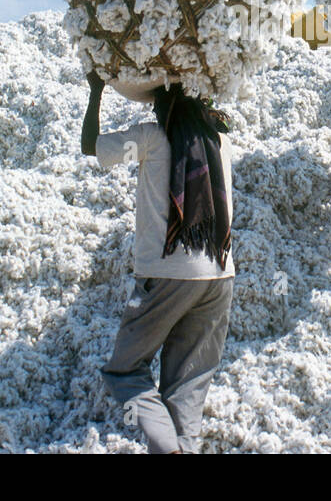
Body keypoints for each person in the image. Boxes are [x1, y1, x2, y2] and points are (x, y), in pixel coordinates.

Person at [82, 71, 235, 454]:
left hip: (168, 275)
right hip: (220, 275)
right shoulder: (220, 140)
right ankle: (184, 446)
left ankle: (168, 449)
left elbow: (90, 146)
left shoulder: (150, 140)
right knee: (189, 380)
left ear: (162, 104)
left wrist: (96, 91)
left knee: (125, 370)